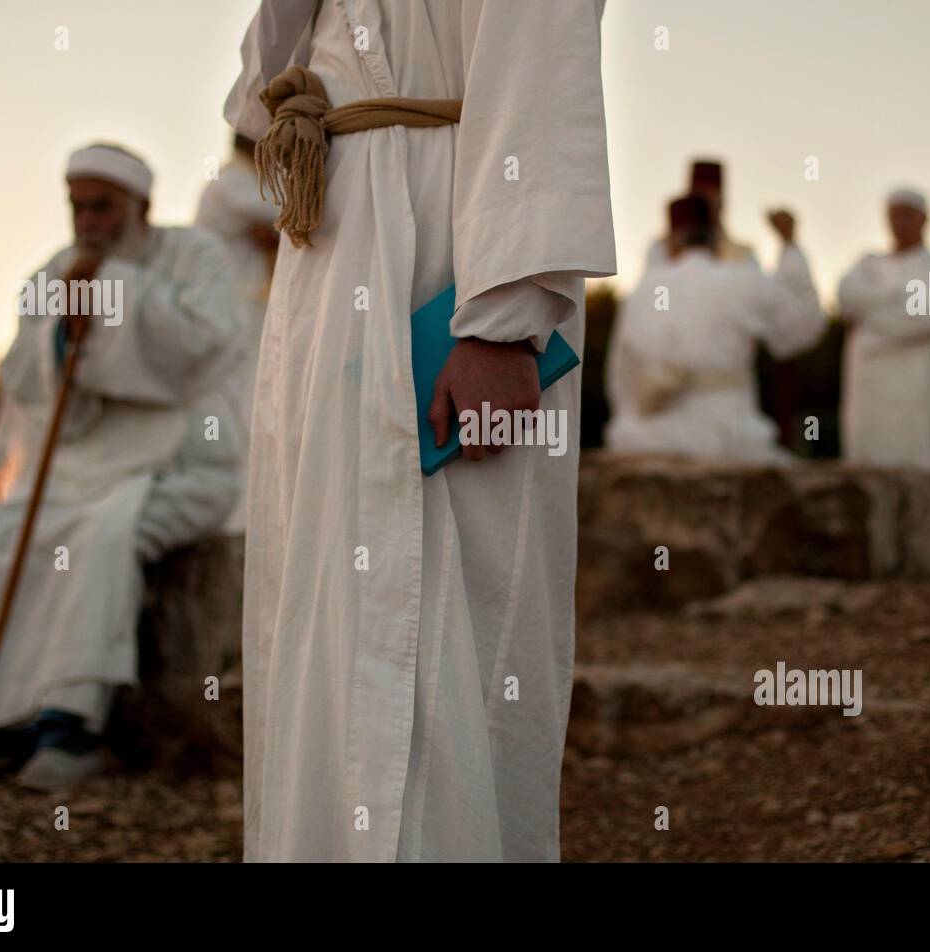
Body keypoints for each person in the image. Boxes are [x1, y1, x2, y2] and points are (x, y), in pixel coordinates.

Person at [225, 0, 616, 862]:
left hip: (451, 244)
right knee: (324, 588)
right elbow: (258, 95)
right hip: (330, 246)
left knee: (451, 600)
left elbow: (540, 55)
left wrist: (502, 323)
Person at [0, 143, 245, 794]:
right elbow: (23, 375)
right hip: (84, 466)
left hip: (184, 464)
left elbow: (209, 346)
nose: (88, 221)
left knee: (101, 538)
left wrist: (114, 295)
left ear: (140, 206)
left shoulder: (194, 255)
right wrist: (64, 333)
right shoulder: (56, 271)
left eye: (102, 207)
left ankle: (69, 726)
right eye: (78, 207)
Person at [605, 194, 826, 461]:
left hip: (652, 437)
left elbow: (621, 375)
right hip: (730, 437)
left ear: (672, 239)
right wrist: (790, 246)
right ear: (716, 237)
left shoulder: (643, 290)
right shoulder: (743, 280)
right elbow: (804, 323)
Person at [194, 133, 279, 533]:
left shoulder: (255, 181)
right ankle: (238, 522)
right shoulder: (229, 184)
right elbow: (292, 214)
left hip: (255, 318)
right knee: (240, 417)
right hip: (232, 323)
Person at [838, 187, 930, 470]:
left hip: (915, 392)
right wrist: (897, 301)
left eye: (908, 215)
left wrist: (868, 322)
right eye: (894, 215)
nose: (900, 222)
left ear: (924, 219)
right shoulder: (867, 263)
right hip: (868, 389)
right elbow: (846, 298)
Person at [644, 159, 754, 268]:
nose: (708, 207)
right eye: (702, 199)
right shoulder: (659, 248)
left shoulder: (743, 253)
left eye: (713, 200)